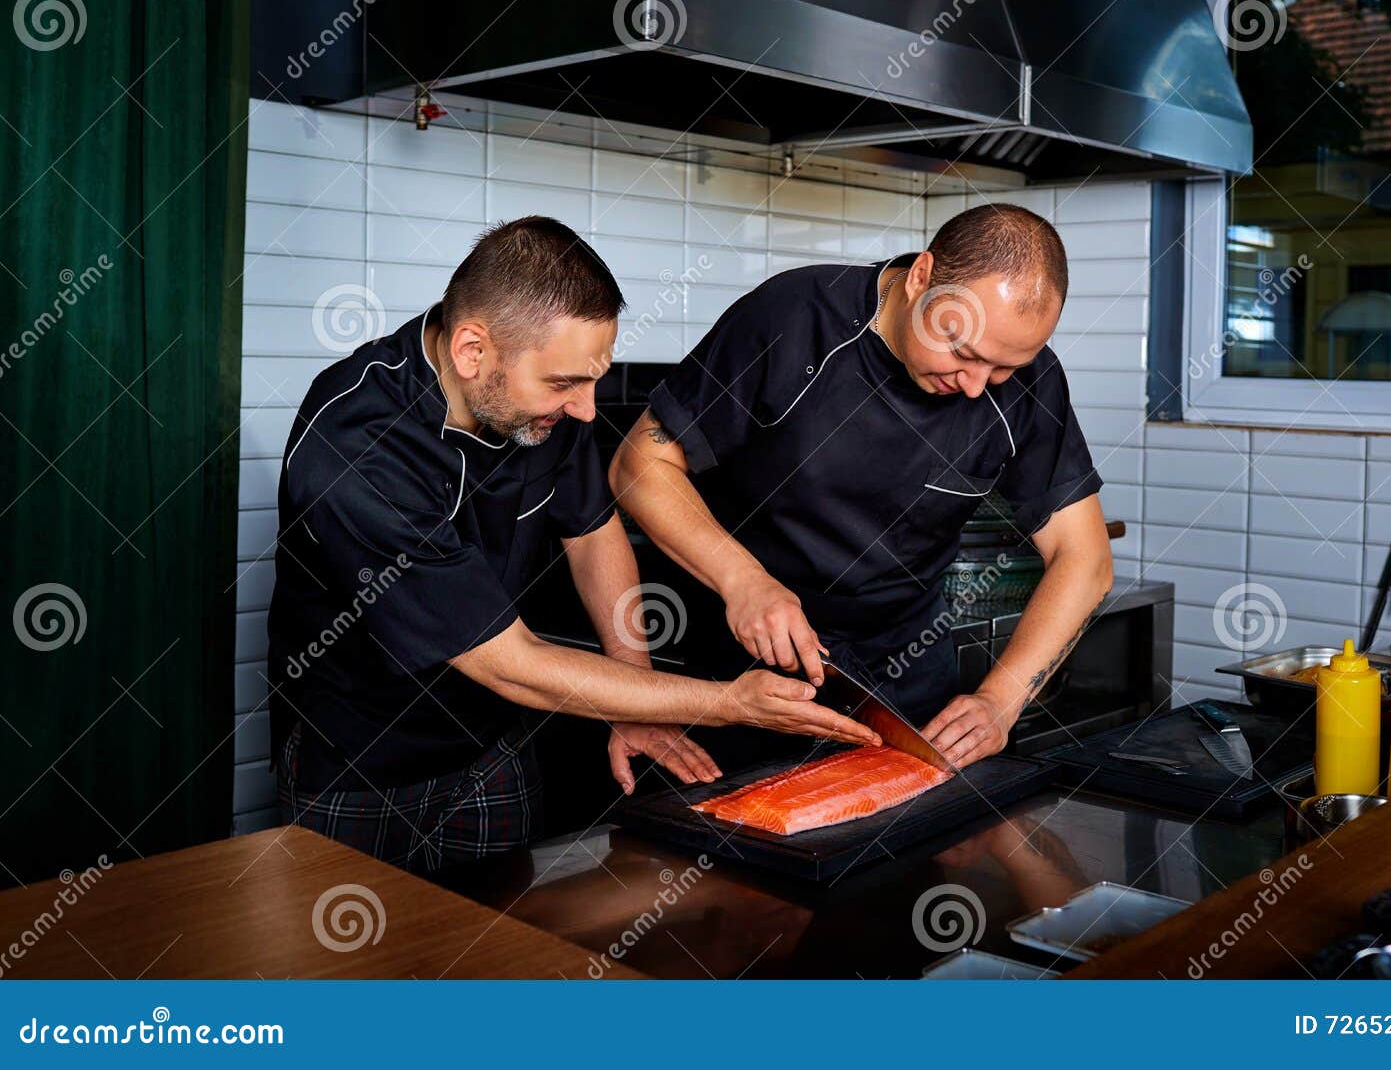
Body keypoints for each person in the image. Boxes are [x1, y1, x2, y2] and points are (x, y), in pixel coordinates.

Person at [266, 217, 876, 872]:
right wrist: (728, 703)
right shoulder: (355, 442)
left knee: (508, 956)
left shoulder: (545, 403)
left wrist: (635, 690)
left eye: (593, 379)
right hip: (358, 762)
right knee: (351, 966)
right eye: (565, 384)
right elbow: (508, 659)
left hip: (491, 748)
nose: (587, 410)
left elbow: (592, 533)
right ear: (474, 351)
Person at [611, 203, 1114, 769]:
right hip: (740, 665)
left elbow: (1084, 556)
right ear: (921, 276)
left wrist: (1001, 700)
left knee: (903, 846)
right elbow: (640, 464)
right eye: (962, 351)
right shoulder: (793, 317)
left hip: (906, 676)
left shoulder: (1030, 383)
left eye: (1001, 370)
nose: (977, 387)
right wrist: (743, 580)